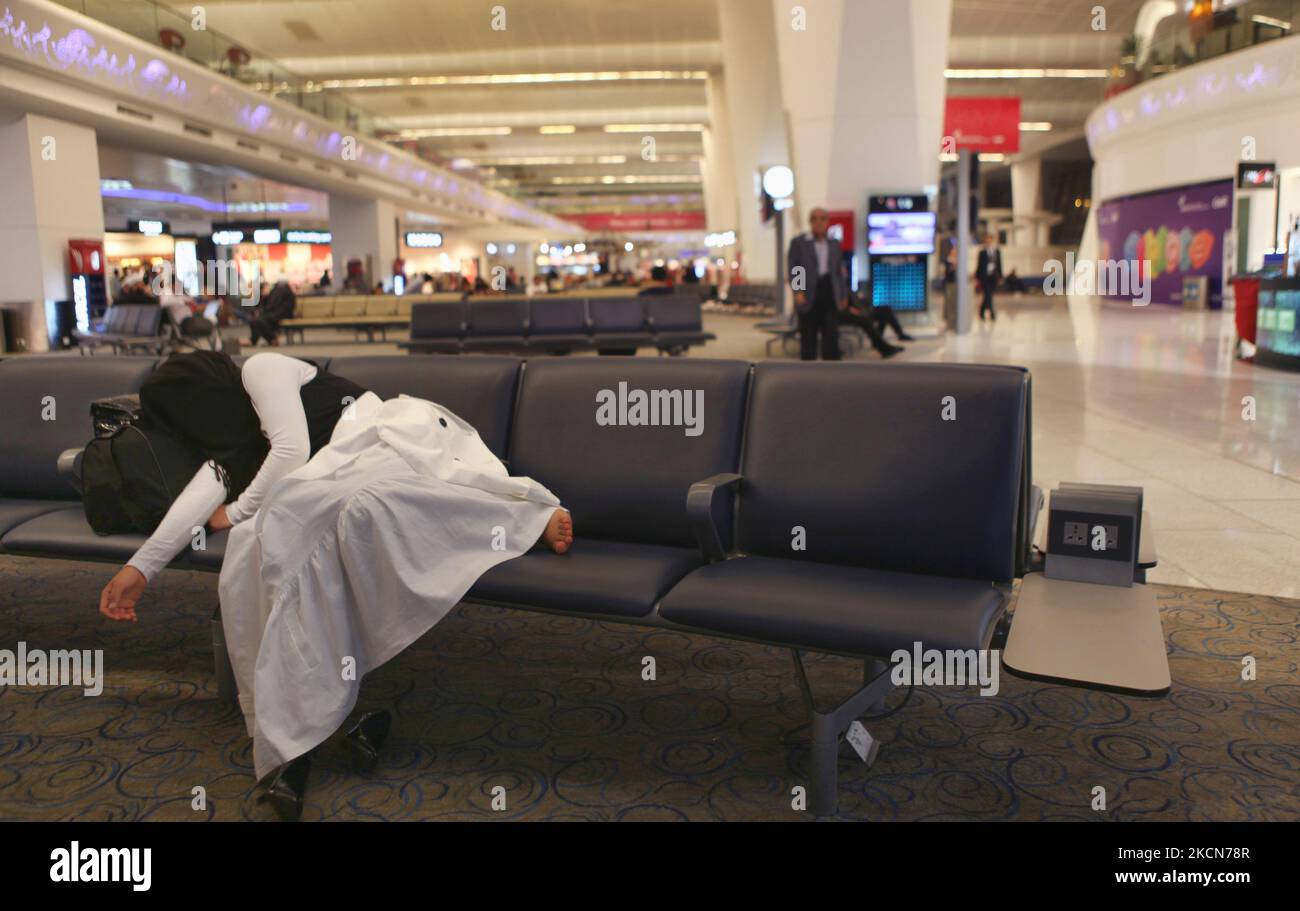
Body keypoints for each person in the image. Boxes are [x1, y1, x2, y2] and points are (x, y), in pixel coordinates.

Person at [97, 350, 574, 819]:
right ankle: (303, 725)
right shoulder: (230, 445)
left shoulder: (260, 370)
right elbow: (204, 494)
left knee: (366, 505)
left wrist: (239, 510)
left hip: (379, 441)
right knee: (253, 554)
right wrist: (139, 570)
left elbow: (291, 450)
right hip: (322, 483)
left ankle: (523, 514)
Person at [787, 207, 847, 361]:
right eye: (815, 219)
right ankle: (808, 376)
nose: (819, 222)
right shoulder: (799, 242)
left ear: (827, 222)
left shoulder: (834, 243)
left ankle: (831, 374)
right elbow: (796, 268)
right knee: (808, 339)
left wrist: (843, 294)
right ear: (810, 222)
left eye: (822, 218)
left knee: (831, 338)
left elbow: (839, 272)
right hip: (808, 294)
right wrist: (798, 291)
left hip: (829, 292)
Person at [839, 295, 907, 358]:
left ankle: (898, 335)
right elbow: (841, 304)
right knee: (865, 320)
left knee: (886, 310)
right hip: (844, 313)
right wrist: (849, 309)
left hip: (862, 310)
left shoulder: (846, 287)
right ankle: (882, 347)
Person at [248, 278, 295, 346]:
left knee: (260, 321)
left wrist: (271, 313)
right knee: (254, 321)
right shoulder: (275, 291)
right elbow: (267, 305)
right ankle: (254, 340)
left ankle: (272, 339)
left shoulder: (286, 292)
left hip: (282, 314)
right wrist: (264, 296)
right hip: (273, 313)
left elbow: (286, 308)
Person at [976, 234, 1003, 321]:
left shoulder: (997, 252)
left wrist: (1000, 276)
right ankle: (992, 313)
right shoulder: (982, 252)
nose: (988, 242)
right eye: (986, 240)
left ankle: (981, 311)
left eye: (989, 240)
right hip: (985, 277)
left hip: (993, 276)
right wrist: (977, 277)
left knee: (989, 295)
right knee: (988, 294)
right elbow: (979, 265)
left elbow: (999, 264)